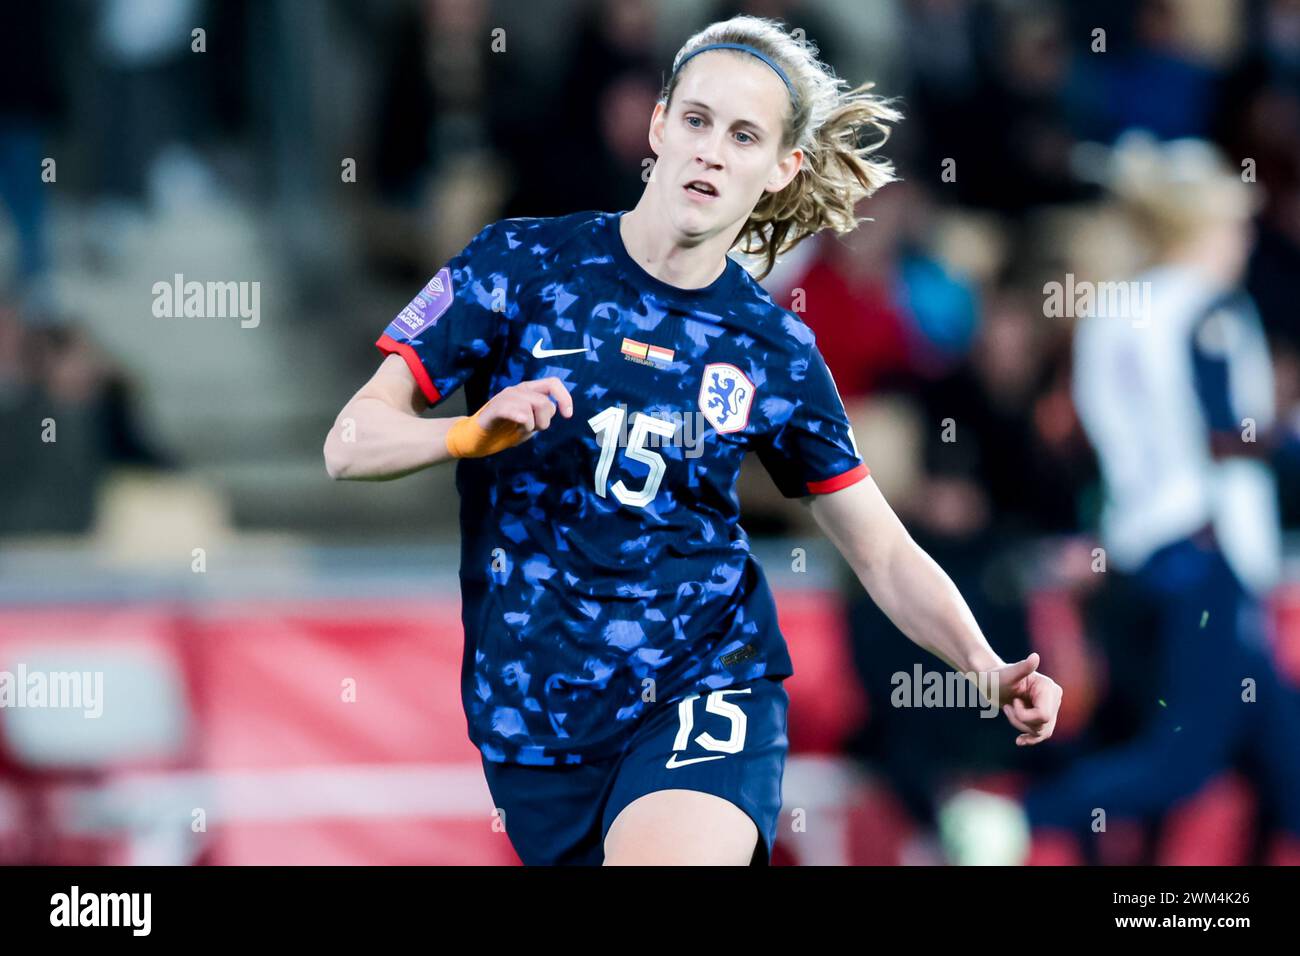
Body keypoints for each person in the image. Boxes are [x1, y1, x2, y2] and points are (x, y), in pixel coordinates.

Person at [324, 15, 1061, 866]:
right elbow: (350, 442)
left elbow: (883, 552)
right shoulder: (516, 265)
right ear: (659, 124)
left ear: (782, 167)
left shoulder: (772, 349)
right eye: (699, 120)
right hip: (534, 716)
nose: (712, 150)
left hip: (706, 679)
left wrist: (984, 664)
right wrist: (463, 433)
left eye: (744, 135)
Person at [943, 134, 1300, 866]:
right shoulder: (1212, 310)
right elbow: (1223, 433)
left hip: (1135, 554)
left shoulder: (1112, 313)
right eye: (1234, 225)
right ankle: (1012, 819)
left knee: (1280, 757)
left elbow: (1085, 441)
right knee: (1185, 761)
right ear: (1202, 229)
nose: (1243, 240)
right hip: (1205, 558)